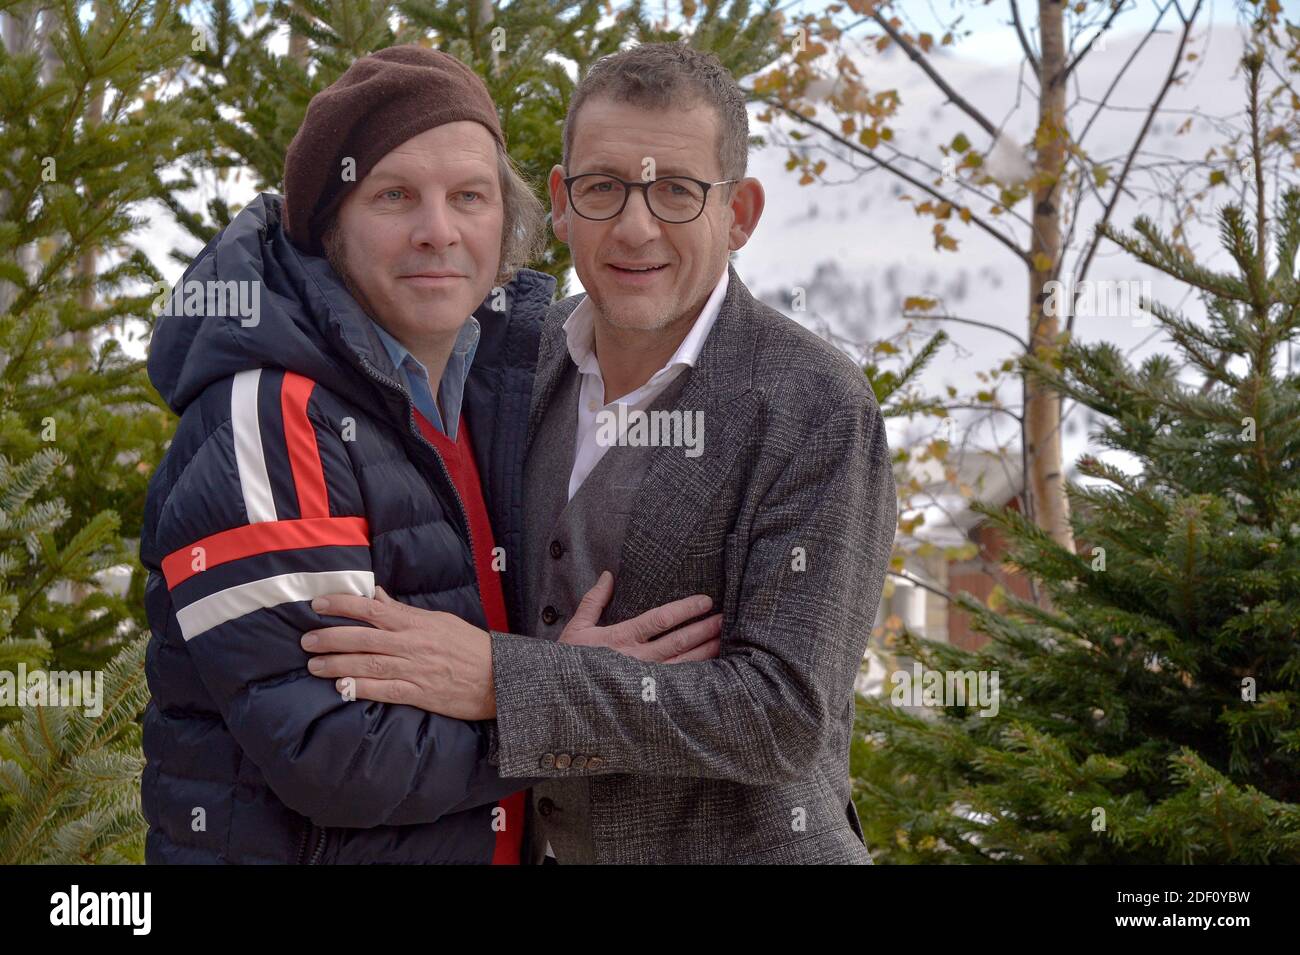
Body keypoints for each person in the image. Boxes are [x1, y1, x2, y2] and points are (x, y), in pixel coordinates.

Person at [303, 43, 898, 864]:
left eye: (677, 191)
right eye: (604, 186)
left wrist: (505, 680)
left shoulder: (815, 403)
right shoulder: (511, 361)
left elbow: (784, 715)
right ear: (561, 201)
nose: (634, 226)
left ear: (739, 213)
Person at [139, 45, 715, 864]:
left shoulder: (489, 396)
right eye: (394, 195)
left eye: (469, 196)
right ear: (328, 225)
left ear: (506, 220)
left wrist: (515, 682)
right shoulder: (272, 417)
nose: (438, 231)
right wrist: (560, 697)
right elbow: (335, 750)